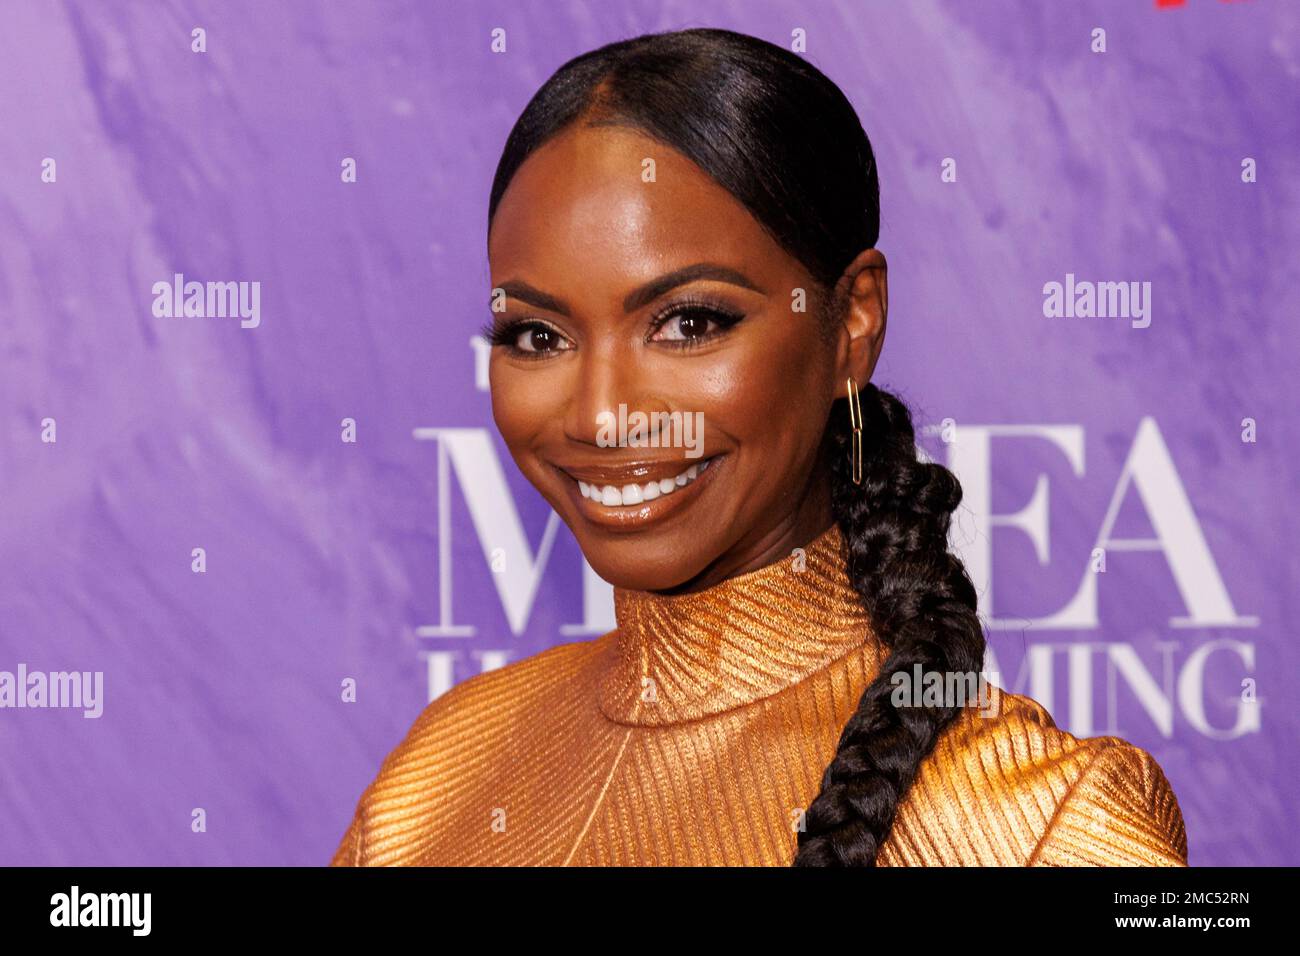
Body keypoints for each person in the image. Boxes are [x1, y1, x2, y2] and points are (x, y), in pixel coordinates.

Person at [331, 27, 1188, 867]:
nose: (601, 415)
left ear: (852, 320)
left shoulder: (1046, 823)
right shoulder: (441, 770)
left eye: (689, 323)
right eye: (538, 336)